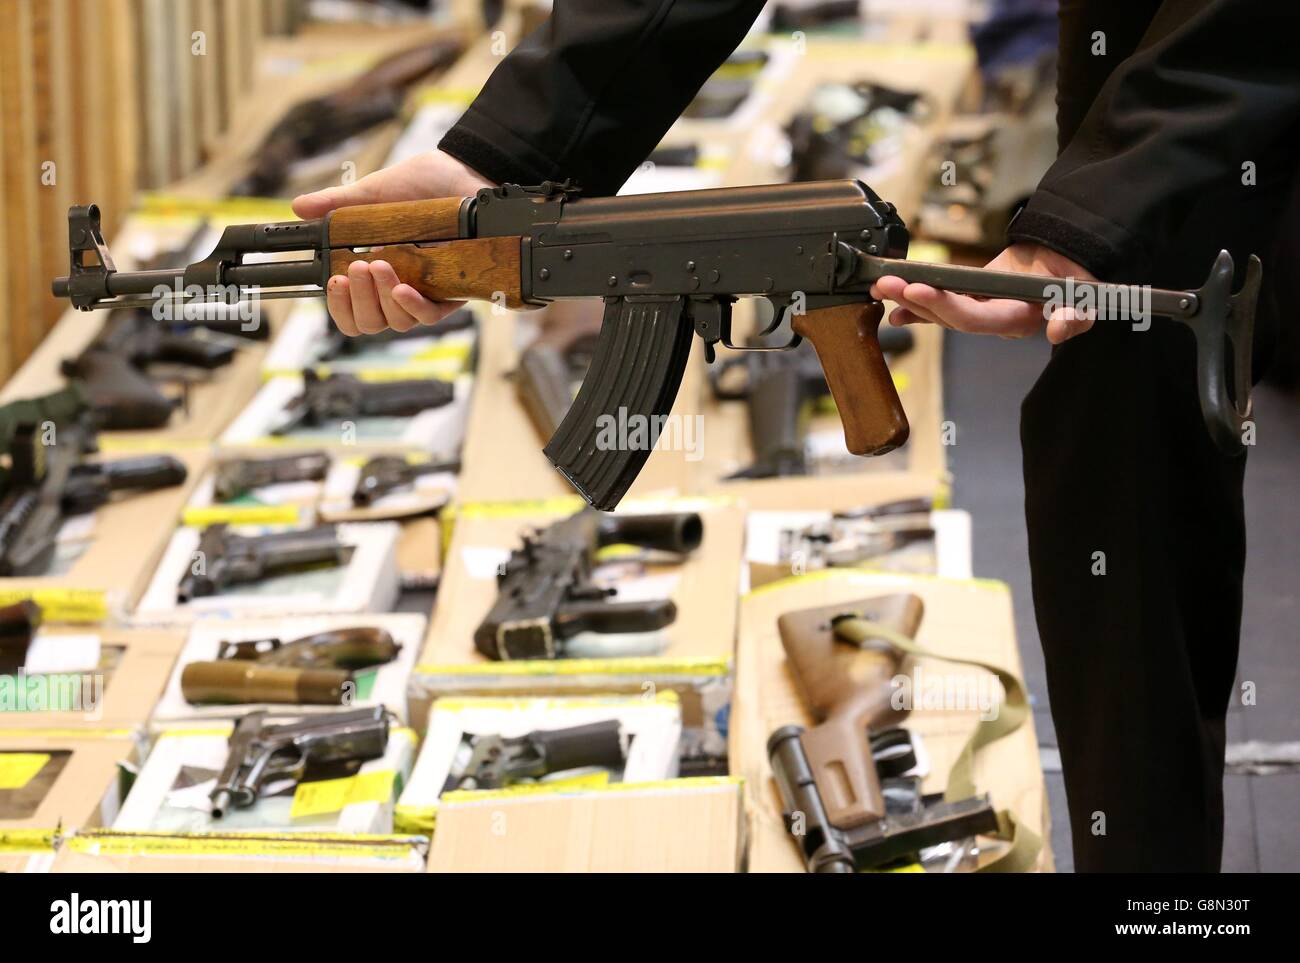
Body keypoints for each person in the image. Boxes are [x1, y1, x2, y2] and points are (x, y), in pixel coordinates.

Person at [293, 1, 1294, 871]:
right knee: (1114, 448)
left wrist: (1108, 200)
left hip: (1227, 87)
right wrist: (497, 156)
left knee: (1133, 431)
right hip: (1148, 99)